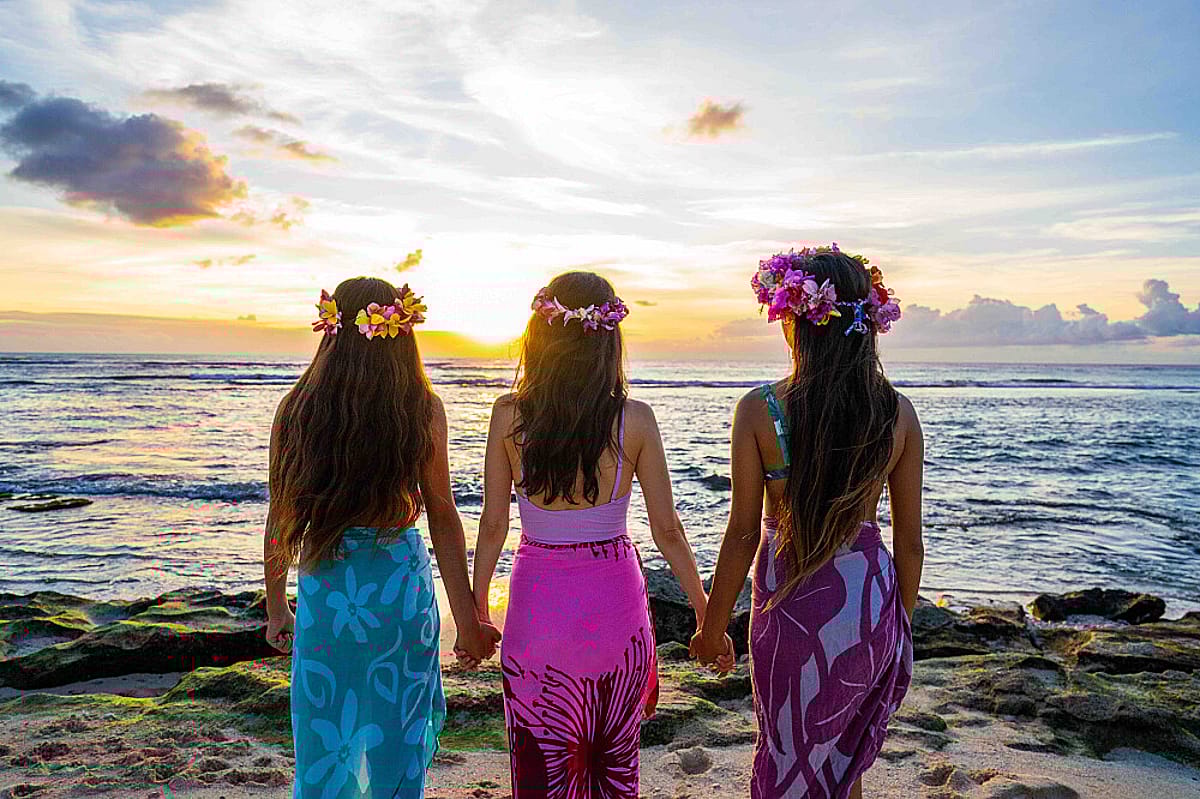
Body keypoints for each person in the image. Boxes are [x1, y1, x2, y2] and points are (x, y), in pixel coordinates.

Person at [471, 271, 728, 797]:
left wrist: (477, 612)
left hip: (539, 604)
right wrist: (705, 611)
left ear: (540, 337)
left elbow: (494, 526)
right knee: (612, 759)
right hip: (615, 605)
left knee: (541, 759)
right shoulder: (635, 419)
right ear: (609, 339)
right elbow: (668, 530)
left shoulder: (508, 414)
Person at [692, 245, 923, 799]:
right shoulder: (897, 414)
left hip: (788, 600)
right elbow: (909, 544)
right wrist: (897, 627)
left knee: (786, 747)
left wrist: (712, 627)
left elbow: (744, 532)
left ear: (795, 320)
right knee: (846, 761)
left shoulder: (760, 410)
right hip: (869, 600)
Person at [262, 277, 501, 798]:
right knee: (397, 738)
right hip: (399, 593)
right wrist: (468, 620)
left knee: (327, 739)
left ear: (331, 331)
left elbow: (280, 519)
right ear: (401, 333)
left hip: (328, 590)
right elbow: (442, 516)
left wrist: (277, 605)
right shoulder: (421, 408)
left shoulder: (297, 408)